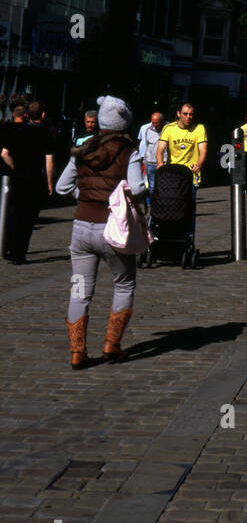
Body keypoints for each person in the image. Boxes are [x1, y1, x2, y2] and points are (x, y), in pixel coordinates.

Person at [56, 95, 144, 368]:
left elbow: (61, 186)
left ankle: (77, 352)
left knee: (79, 291)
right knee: (124, 282)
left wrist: (84, 193)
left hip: (82, 227)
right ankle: (111, 344)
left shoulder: (82, 148)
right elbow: (138, 188)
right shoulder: (129, 151)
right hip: (113, 229)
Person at [1, 102, 56, 264]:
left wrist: (14, 167)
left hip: (17, 177)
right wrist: (50, 182)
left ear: (27, 115)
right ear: (43, 115)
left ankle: (9, 247)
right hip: (35, 178)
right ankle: (20, 252)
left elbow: (4, 154)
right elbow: (49, 161)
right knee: (28, 217)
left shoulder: (15, 130)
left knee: (14, 214)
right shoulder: (45, 132)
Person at [157, 104, 208, 187]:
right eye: (185, 114)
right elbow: (160, 149)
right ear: (178, 114)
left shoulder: (199, 128)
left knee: (190, 199)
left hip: (191, 172)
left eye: (191, 114)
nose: (188, 117)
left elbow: (203, 150)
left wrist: (198, 165)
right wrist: (160, 163)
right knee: (173, 199)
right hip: (173, 171)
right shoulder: (168, 128)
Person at [137, 110, 164, 203]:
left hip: (163, 162)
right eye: (153, 123)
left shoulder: (168, 129)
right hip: (150, 162)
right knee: (151, 186)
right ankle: (152, 205)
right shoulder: (148, 129)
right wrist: (144, 160)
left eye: (157, 123)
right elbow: (147, 145)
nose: (155, 125)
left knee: (162, 186)